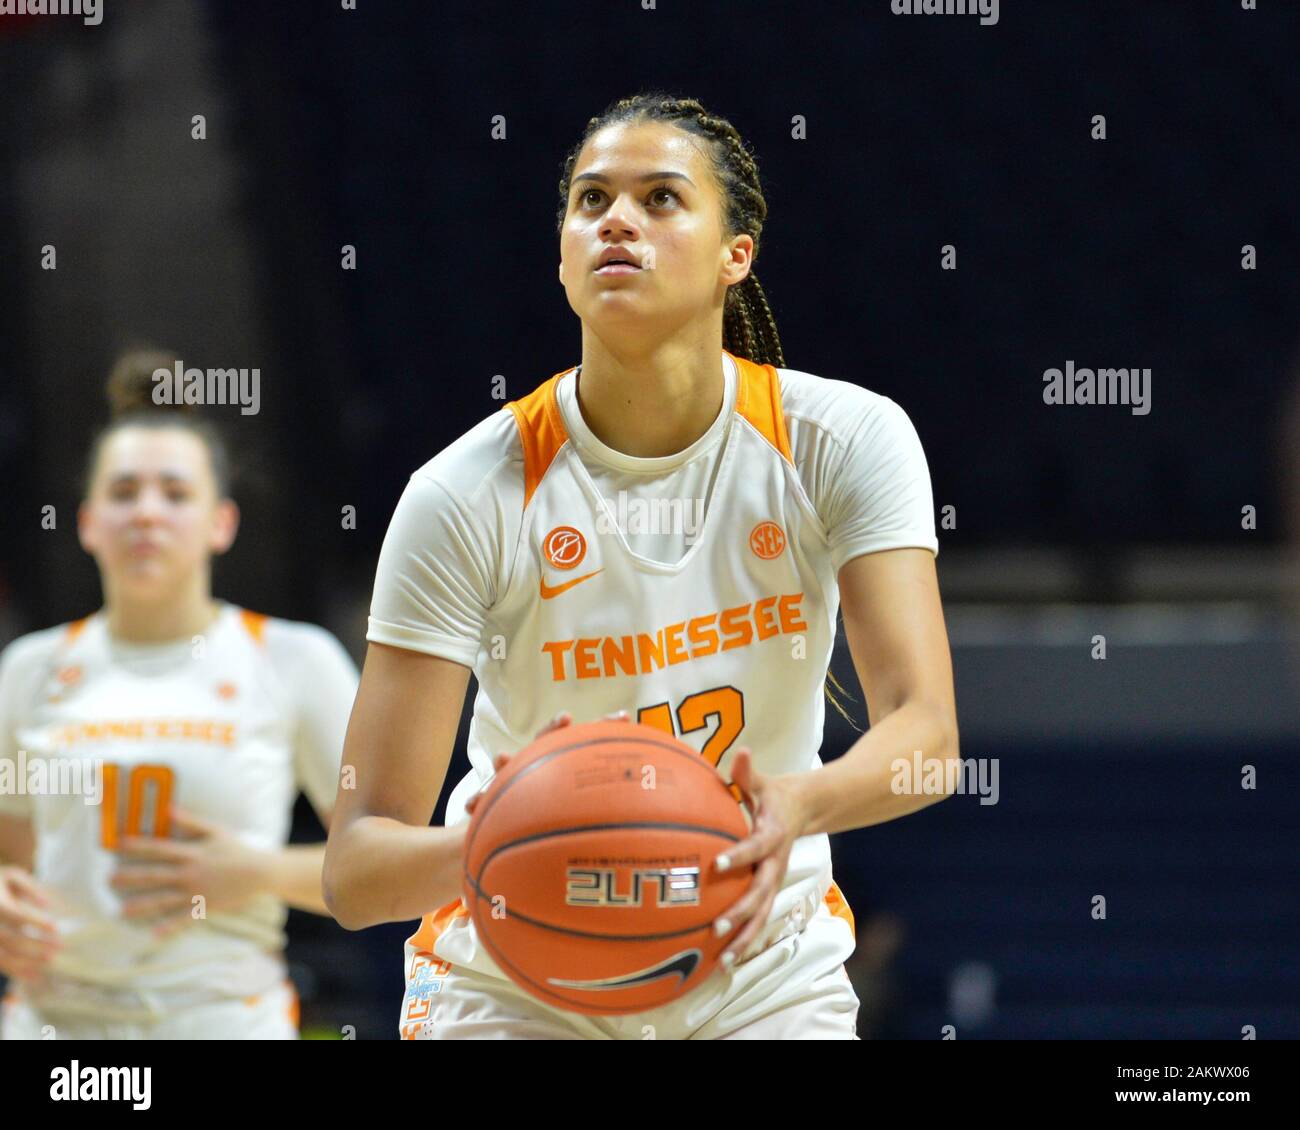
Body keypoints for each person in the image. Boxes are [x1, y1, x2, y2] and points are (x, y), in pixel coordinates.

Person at [324, 91, 960, 1040]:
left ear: (735, 255)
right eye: (591, 201)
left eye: (661, 198)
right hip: (513, 974)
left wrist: (794, 804)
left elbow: (929, 744)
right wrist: (523, 847)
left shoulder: (844, 439)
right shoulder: (463, 492)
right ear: (564, 260)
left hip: (761, 964)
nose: (617, 218)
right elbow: (355, 872)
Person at [0, 349, 358, 1039]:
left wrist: (258, 871)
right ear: (86, 521)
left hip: (220, 1019)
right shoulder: (30, 669)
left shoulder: (291, 659)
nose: (147, 514)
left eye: (174, 492)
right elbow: (13, 862)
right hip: (56, 1028)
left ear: (221, 523)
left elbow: (386, 869)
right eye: (124, 492)